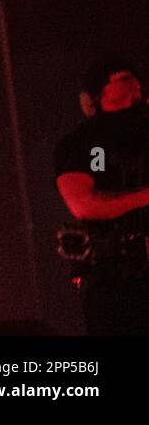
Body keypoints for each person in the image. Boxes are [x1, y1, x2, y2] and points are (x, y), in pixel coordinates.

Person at [54, 55, 149, 334]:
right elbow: (83, 204)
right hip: (115, 278)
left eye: (134, 76)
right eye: (122, 78)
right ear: (97, 93)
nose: (133, 83)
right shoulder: (80, 143)